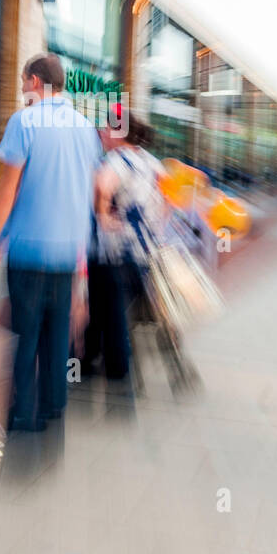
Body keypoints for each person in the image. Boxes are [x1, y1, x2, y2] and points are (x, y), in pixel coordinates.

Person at [0, 53, 101, 432]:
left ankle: (23, 413)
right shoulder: (85, 127)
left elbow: (6, 192)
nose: (20, 90)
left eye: (21, 82)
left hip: (29, 249)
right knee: (57, 331)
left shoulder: (24, 121)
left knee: (25, 335)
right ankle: (53, 404)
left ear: (32, 81)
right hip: (69, 251)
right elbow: (90, 191)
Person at [86, 114, 169, 382]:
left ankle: (115, 366)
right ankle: (94, 356)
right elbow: (168, 198)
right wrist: (155, 225)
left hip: (116, 251)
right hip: (145, 252)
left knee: (108, 304)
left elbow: (101, 186)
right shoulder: (150, 160)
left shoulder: (117, 159)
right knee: (107, 304)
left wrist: (102, 214)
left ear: (119, 132)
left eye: (106, 129)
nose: (102, 133)